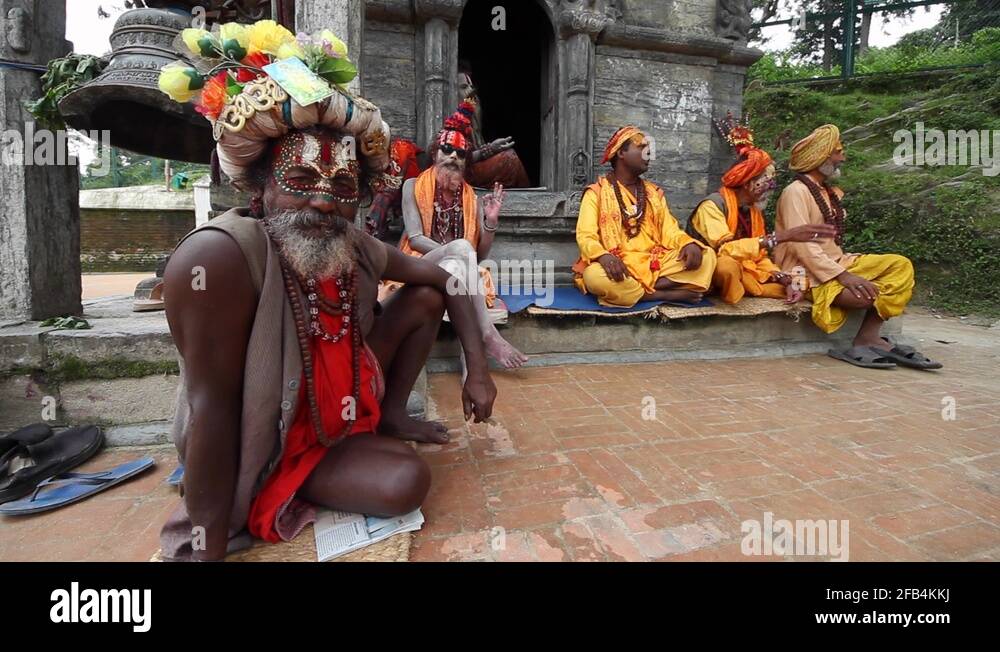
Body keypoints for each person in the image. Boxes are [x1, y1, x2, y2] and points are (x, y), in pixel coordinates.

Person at [155, 23, 497, 561]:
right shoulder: (219, 258)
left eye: (341, 186)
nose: (322, 202)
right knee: (403, 480)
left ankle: (388, 418)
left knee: (426, 295)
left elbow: (449, 276)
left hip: (349, 394)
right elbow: (210, 410)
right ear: (260, 186)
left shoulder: (352, 242)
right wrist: (204, 544)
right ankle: (299, 475)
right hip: (277, 433)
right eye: (301, 179)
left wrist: (477, 368)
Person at [774, 124, 941, 370]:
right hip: (805, 272)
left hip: (839, 262)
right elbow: (802, 246)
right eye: (837, 152)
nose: (843, 157)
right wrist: (844, 277)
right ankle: (866, 338)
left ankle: (867, 338)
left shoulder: (827, 192)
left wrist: (845, 270)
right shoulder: (795, 192)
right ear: (820, 157)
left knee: (900, 265)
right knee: (863, 297)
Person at [387, 105, 528, 370]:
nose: (453, 157)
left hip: (458, 268)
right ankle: (486, 335)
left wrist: (490, 221)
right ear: (435, 153)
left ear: (466, 163)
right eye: (447, 150)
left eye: (461, 154)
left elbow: (481, 254)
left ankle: (471, 365)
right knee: (461, 253)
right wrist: (456, 250)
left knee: (458, 265)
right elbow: (416, 239)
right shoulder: (412, 186)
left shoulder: (471, 198)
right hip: (418, 262)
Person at [688, 113, 837, 304]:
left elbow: (759, 256)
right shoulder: (712, 206)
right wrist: (781, 236)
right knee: (727, 266)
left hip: (747, 270)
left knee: (800, 282)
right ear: (746, 182)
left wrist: (782, 277)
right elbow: (725, 250)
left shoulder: (753, 210)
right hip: (712, 270)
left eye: (772, 182)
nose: (771, 187)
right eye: (766, 182)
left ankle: (752, 287)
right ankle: (738, 290)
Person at [574, 126, 716, 307]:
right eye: (642, 147)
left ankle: (640, 291)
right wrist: (603, 256)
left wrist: (687, 243)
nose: (649, 153)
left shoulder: (653, 193)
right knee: (594, 276)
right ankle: (665, 294)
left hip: (655, 262)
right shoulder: (596, 193)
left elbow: (670, 231)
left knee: (707, 255)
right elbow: (585, 236)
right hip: (619, 265)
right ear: (621, 153)